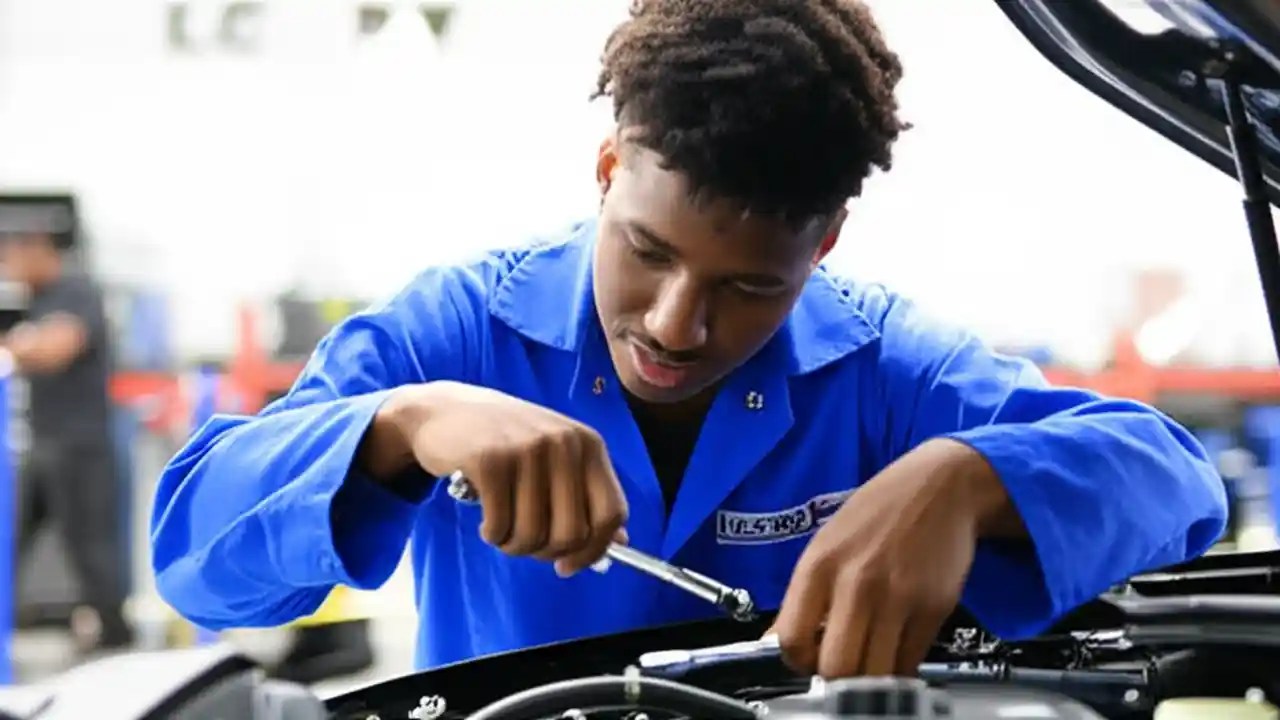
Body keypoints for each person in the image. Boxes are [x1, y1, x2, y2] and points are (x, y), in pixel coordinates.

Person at [151, 0, 1228, 679]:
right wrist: (401, 425)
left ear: (825, 244)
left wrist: (968, 479)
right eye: (648, 252)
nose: (675, 325)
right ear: (608, 168)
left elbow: (1174, 485)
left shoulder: (892, 369)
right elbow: (200, 569)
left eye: (751, 284)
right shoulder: (454, 334)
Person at [0, 197, 132, 653]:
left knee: (92, 549)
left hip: (82, 447)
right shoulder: (35, 300)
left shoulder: (76, 290)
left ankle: (116, 642)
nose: (7, 264)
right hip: (42, 445)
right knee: (8, 535)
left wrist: (18, 347)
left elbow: (57, 347)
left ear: (38, 247)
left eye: (12, 253)